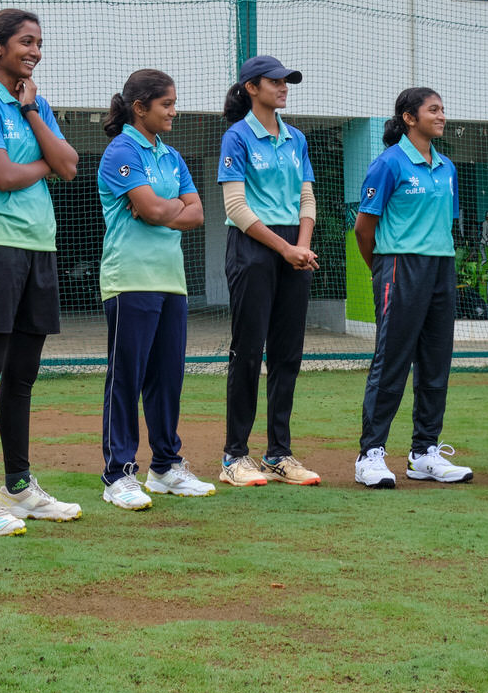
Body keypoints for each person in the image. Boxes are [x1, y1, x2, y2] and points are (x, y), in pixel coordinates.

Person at [0, 9, 83, 536]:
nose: (34, 51)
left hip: (38, 246)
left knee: (23, 377)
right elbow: (3, 176)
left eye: (39, 43)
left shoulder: (38, 104)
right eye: (25, 42)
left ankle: (20, 487)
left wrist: (33, 115)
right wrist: (45, 163)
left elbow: (71, 166)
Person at [97, 69, 215, 510]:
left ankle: (165, 467)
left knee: (167, 380)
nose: (174, 111)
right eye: (166, 104)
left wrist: (159, 209)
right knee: (126, 379)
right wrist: (166, 208)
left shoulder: (172, 156)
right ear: (140, 107)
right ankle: (118, 475)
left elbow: (197, 213)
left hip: (171, 281)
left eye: (174, 103)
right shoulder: (120, 151)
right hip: (129, 280)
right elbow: (150, 209)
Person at [351, 88, 473, 488]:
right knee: (392, 361)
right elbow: (363, 230)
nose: (441, 115)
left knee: (436, 362)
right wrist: (383, 271)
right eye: (433, 109)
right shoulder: (388, 164)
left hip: (441, 266)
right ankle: (370, 454)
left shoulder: (447, 167)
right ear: (409, 117)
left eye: (442, 108)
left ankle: (424, 453)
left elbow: (445, 224)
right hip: (399, 265)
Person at [216, 55, 321, 488]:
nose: (283, 87)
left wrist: (302, 247)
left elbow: (307, 198)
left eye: (286, 81)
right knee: (247, 352)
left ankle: (279, 454)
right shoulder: (236, 137)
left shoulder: (296, 138)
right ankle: (233, 457)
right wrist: (285, 248)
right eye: (275, 81)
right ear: (251, 88)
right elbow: (236, 207)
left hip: (293, 248)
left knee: (287, 354)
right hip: (253, 246)